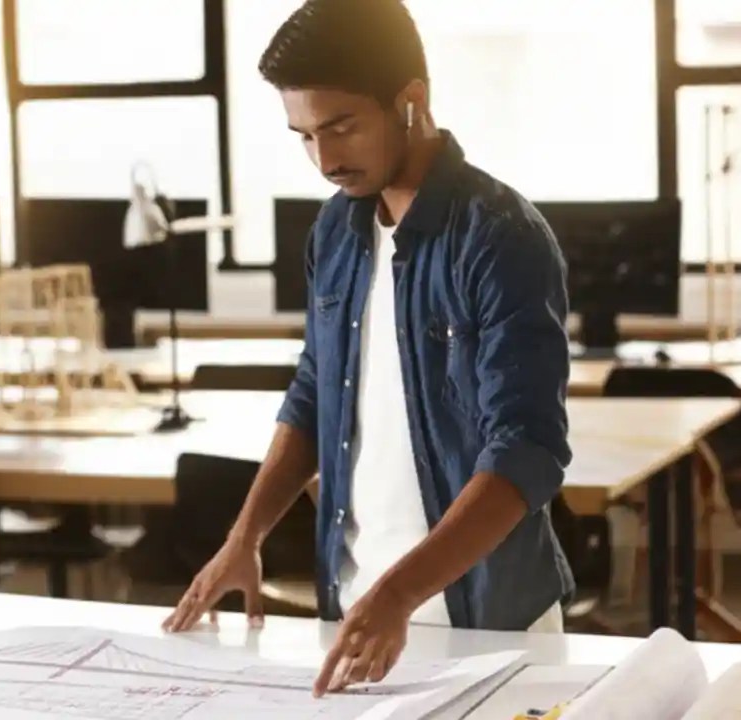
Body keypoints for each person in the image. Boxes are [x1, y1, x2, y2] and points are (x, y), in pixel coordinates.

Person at [161, 0, 575, 697]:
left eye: (342, 127)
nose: (324, 160)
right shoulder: (335, 231)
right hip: (358, 622)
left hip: (486, 627)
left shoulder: (501, 238)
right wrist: (246, 538)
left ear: (412, 100)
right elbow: (316, 392)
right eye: (304, 136)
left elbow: (526, 452)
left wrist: (398, 595)